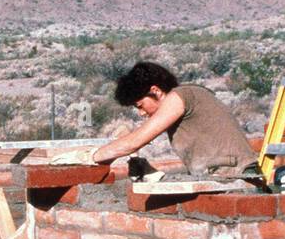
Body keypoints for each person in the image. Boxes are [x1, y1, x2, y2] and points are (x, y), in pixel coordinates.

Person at [50, 61, 260, 180]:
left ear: (156, 91)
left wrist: (90, 157)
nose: (141, 113)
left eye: (140, 105)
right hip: (224, 176)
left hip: (237, 178)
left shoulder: (180, 96)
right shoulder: (189, 96)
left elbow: (135, 142)